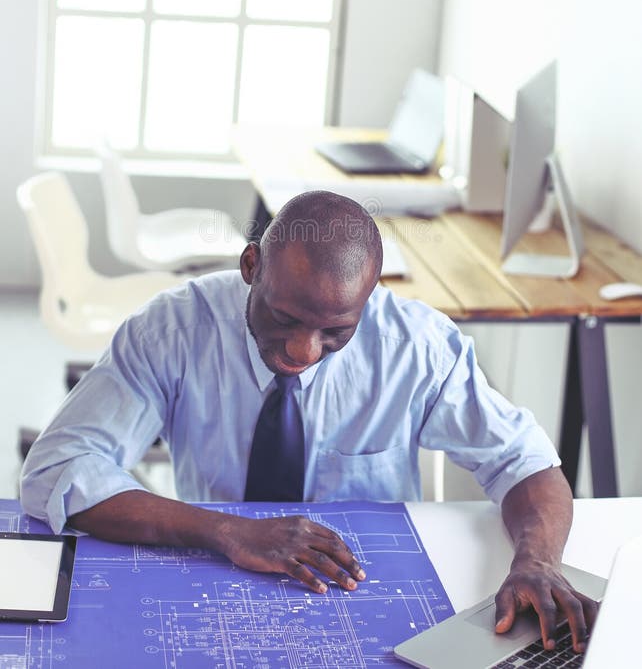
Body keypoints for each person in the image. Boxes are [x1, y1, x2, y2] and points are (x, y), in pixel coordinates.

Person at [21, 191, 596, 654]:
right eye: (285, 316)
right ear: (251, 267)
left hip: (368, 581)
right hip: (215, 567)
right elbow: (56, 470)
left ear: (369, 301)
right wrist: (228, 532)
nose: (302, 350)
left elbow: (525, 462)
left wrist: (537, 562)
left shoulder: (416, 347)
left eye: (334, 332)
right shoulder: (171, 332)